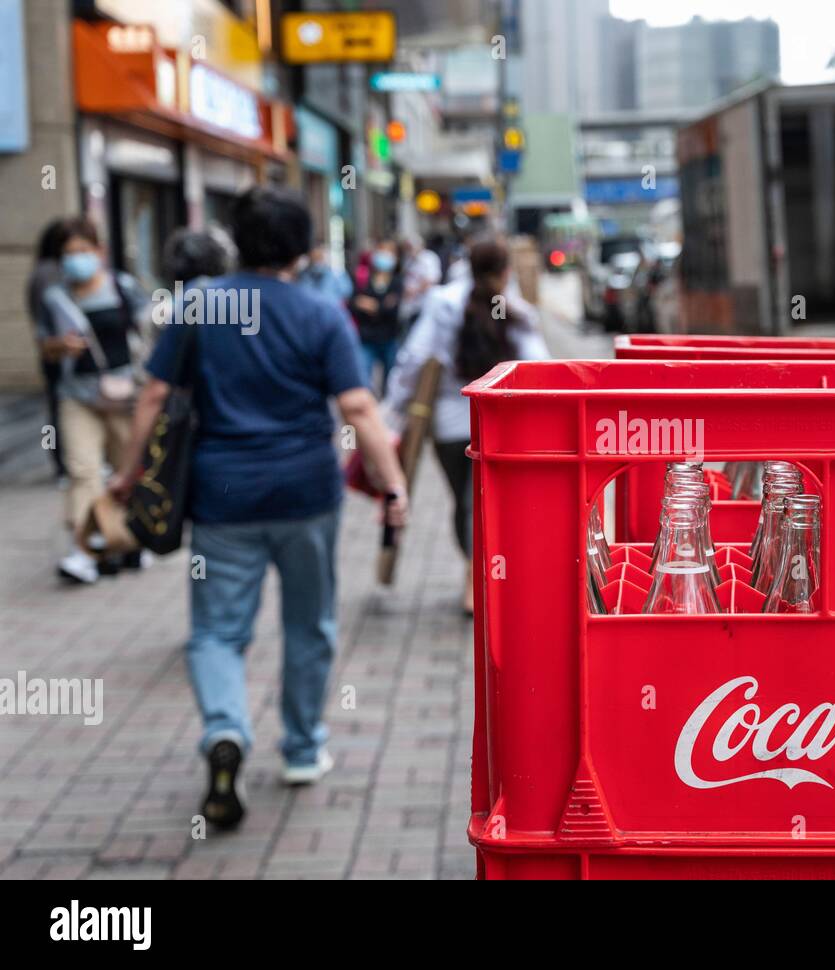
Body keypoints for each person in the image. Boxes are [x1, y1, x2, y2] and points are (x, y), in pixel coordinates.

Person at [107, 187, 408, 831]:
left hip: (221, 496)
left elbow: (155, 393)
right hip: (306, 493)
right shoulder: (323, 313)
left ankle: (226, 731)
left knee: (217, 630)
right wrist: (393, 482)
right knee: (311, 626)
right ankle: (302, 751)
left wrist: (128, 474)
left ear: (238, 241)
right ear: (303, 247)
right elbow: (357, 408)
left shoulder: (198, 305)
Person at [383, 237, 548, 614]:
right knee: (484, 501)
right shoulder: (515, 310)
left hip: (448, 424)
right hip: (499, 424)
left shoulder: (442, 303)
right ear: (506, 272)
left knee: (464, 500)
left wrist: (393, 410)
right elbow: (539, 363)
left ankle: (475, 575)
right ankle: (479, 576)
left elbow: (413, 359)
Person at [37, 217, 152, 584]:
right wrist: (60, 347)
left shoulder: (121, 287)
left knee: (125, 469)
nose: (77, 259)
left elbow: (151, 326)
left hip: (123, 395)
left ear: (99, 252)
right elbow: (44, 346)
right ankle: (84, 550)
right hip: (77, 395)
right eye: (69, 254)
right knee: (83, 471)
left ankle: (131, 538)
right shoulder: (54, 297)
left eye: (84, 251)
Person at [27, 219, 70, 480]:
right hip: (58, 351)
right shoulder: (49, 272)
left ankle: (62, 463)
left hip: (55, 350)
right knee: (60, 407)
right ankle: (62, 464)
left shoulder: (42, 270)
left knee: (57, 405)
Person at [348, 239, 404, 394]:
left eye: (389, 252)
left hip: (389, 336)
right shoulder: (363, 278)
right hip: (366, 337)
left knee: (390, 381)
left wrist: (372, 306)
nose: (384, 255)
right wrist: (378, 306)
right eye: (382, 250)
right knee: (363, 377)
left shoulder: (397, 282)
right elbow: (353, 303)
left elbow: (392, 308)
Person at [398, 234, 442, 331]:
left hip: (424, 305)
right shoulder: (407, 259)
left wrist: (415, 291)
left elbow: (432, 280)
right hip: (409, 306)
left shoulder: (429, 258)